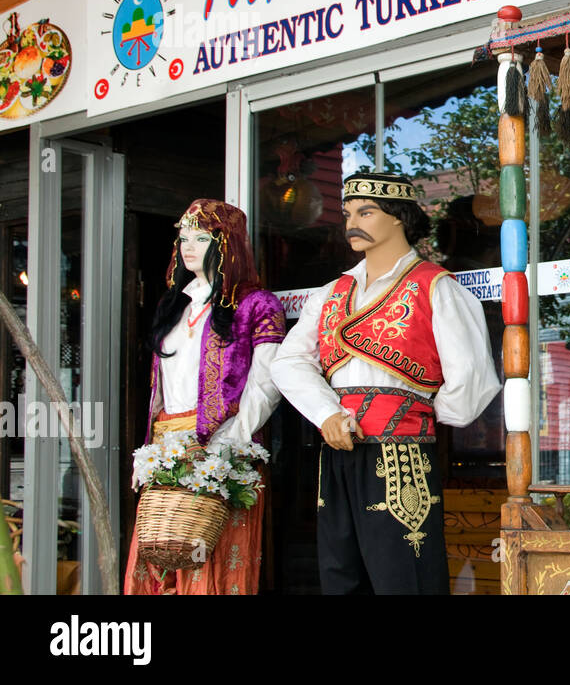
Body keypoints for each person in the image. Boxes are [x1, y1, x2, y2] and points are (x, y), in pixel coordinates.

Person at [270, 171, 500, 594]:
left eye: (366, 211)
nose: (352, 221)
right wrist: (327, 415)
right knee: (340, 574)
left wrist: (417, 415)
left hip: (402, 456)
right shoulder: (329, 293)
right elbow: (288, 362)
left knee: (403, 576)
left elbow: (473, 379)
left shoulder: (436, 287)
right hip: (336, 449)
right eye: (348, 213)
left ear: (399, 217)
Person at [125, 199, 285, 595]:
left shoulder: (256, 303)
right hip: (167, 445)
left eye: (201, 237)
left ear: (226, 243)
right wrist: (148, 452)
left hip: (223, 442)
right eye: (183, 237)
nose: (188, 246)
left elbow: (267, 382)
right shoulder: (175, 303)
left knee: (213, 557)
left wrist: (231, 441)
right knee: (158, 550)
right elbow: (159, 392)